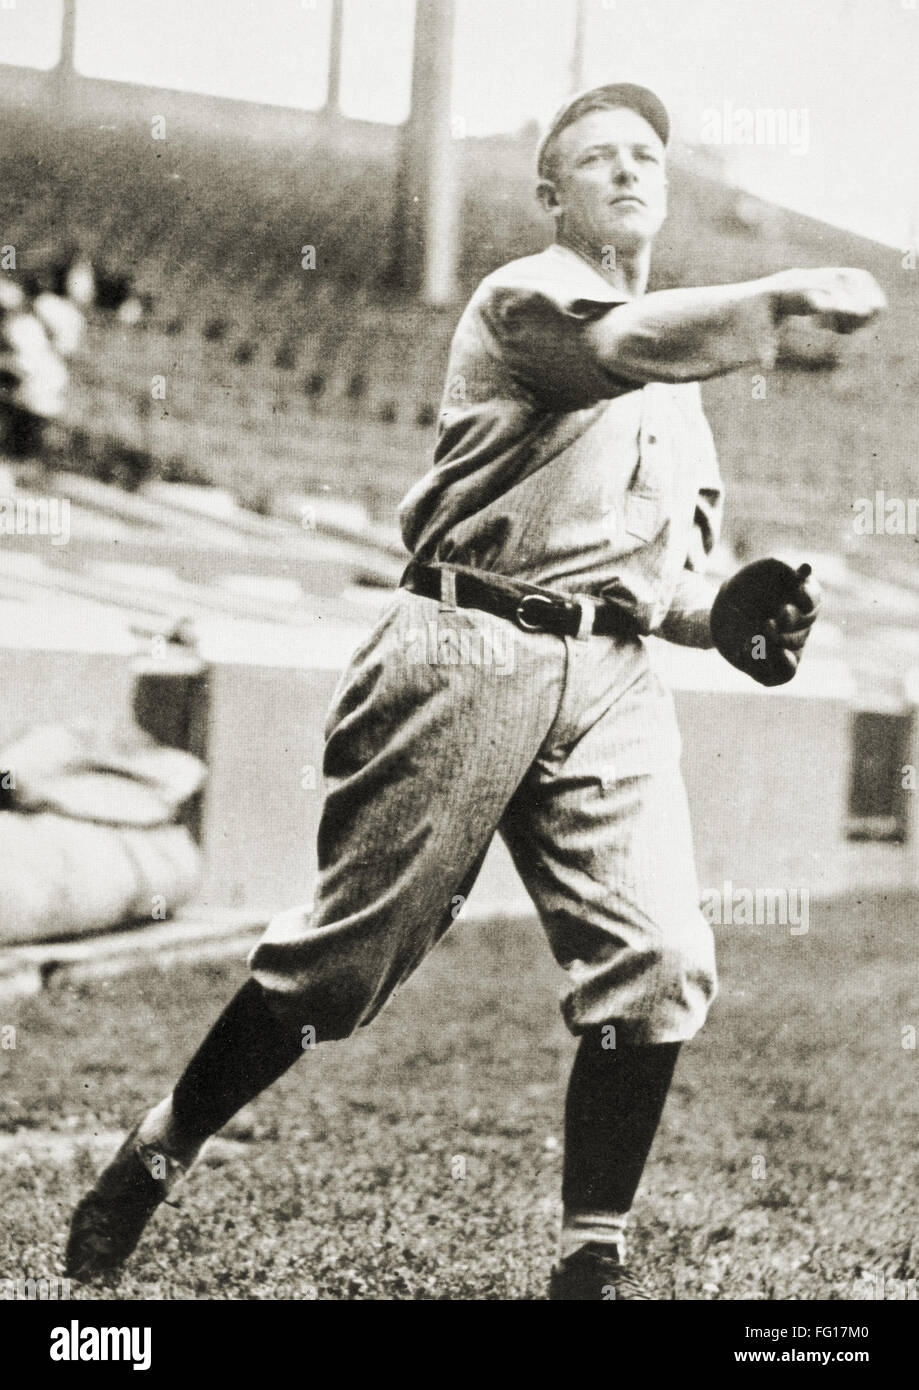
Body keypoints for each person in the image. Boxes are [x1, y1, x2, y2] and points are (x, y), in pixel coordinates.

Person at [64, 83, 884, 1299]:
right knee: (338, 973)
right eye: (594, 157)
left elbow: (662, 589)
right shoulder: (523, 298)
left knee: (660, 959)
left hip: (608, 673)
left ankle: (588, 1260)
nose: (624, 169)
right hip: (465, 639)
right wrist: (777, 298)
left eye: (643, 154)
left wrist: (730, 623)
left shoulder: (686, 393)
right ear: (551, 194)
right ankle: (159, 1147)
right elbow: (616, 345)